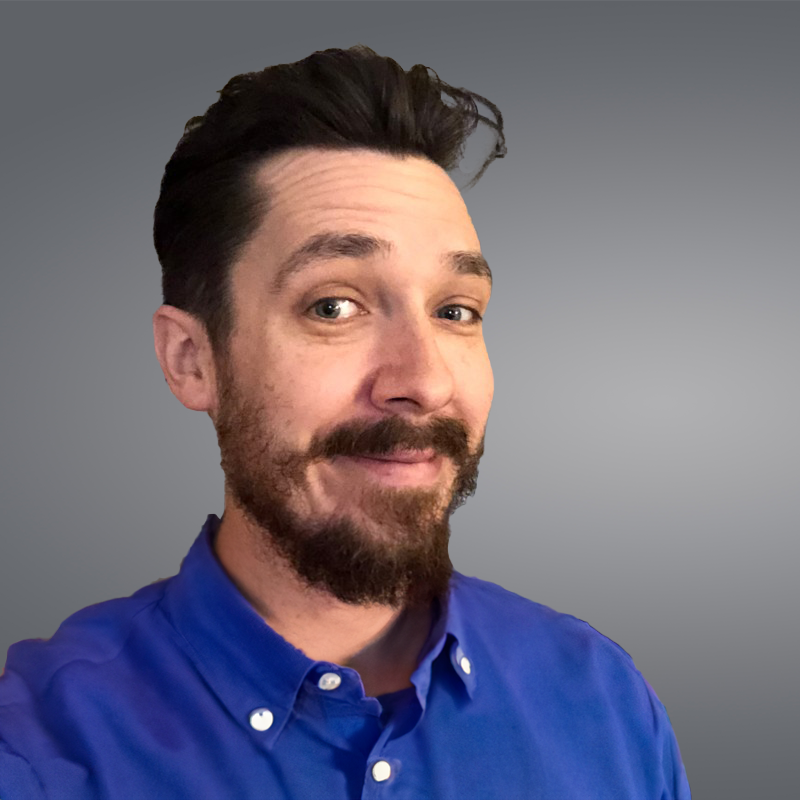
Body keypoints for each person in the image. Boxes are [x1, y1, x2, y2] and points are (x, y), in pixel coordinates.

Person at [0, 45, 691, 799]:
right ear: (192, 360)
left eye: (456, 311)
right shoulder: (37, 749)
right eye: (334, 306)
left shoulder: (603, 701)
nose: (425, 381)